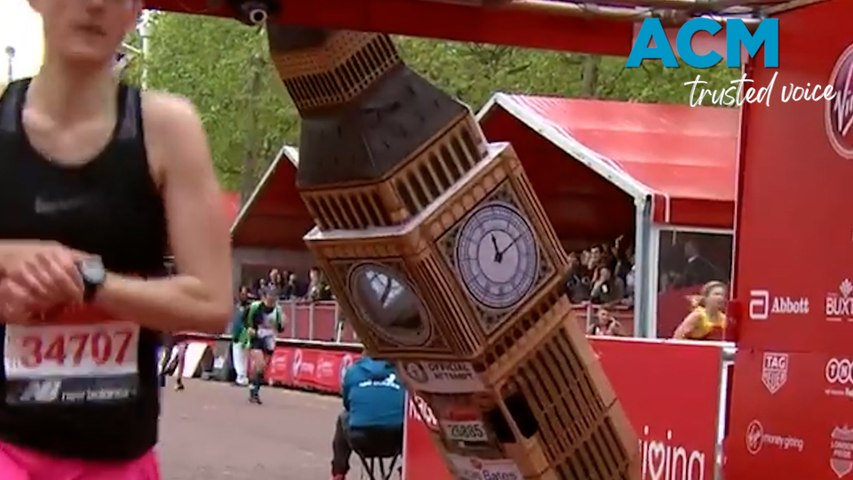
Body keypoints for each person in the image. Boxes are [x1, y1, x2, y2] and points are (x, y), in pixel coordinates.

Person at [0, 0, 231, 478]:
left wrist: (89, 282)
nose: (95, 4)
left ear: (135, 11)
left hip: (118, 456)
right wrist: (11, 261)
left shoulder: (168, 130)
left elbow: (211, 301)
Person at [331, 355, 405, 480]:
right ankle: (407, 470)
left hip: (361, 439)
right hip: (396, 439)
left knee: (343, 417)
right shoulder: (403, 372)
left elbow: (348, 405)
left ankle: (338, 473)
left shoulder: (353, 370)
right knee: (412, 424)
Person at [244, 287, 285, 404]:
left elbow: (280, 328)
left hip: (269, 339)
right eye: (269, 298)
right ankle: (254, 392)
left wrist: (282, 323)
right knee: (260, 363)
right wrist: (249, 328)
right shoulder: (255, 307)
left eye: (274, 299)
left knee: (262, 369)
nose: (271, 301)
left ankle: (254, 388)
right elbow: (244, 319)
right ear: (264, 298)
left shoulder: (278, 310)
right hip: (257, 338)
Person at [230, 287, 251, 386]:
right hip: (237, 333)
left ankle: (241, 377)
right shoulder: (237, 307)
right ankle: (242, 377)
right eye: (242, 294)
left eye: (245, 294)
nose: (244, 296)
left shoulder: (248, 308)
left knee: (241, 355)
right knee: (239, 356)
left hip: (243, 334)